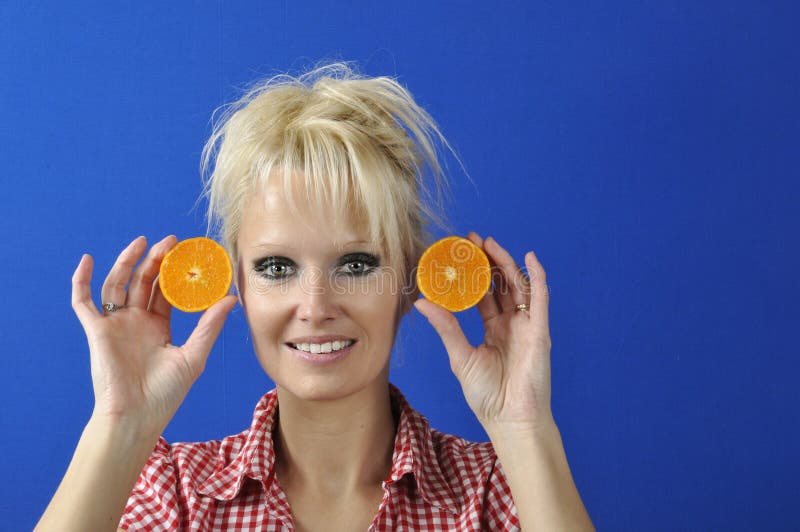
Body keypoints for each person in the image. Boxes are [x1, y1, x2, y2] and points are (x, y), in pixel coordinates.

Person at [36, 62, 593, 531]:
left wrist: (524, 426)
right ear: (242, 288)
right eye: (276, 266)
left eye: (356, 264)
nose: (316, 305)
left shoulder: (500, 491)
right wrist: (120, 423)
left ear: (408, 283)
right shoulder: (174, 493)